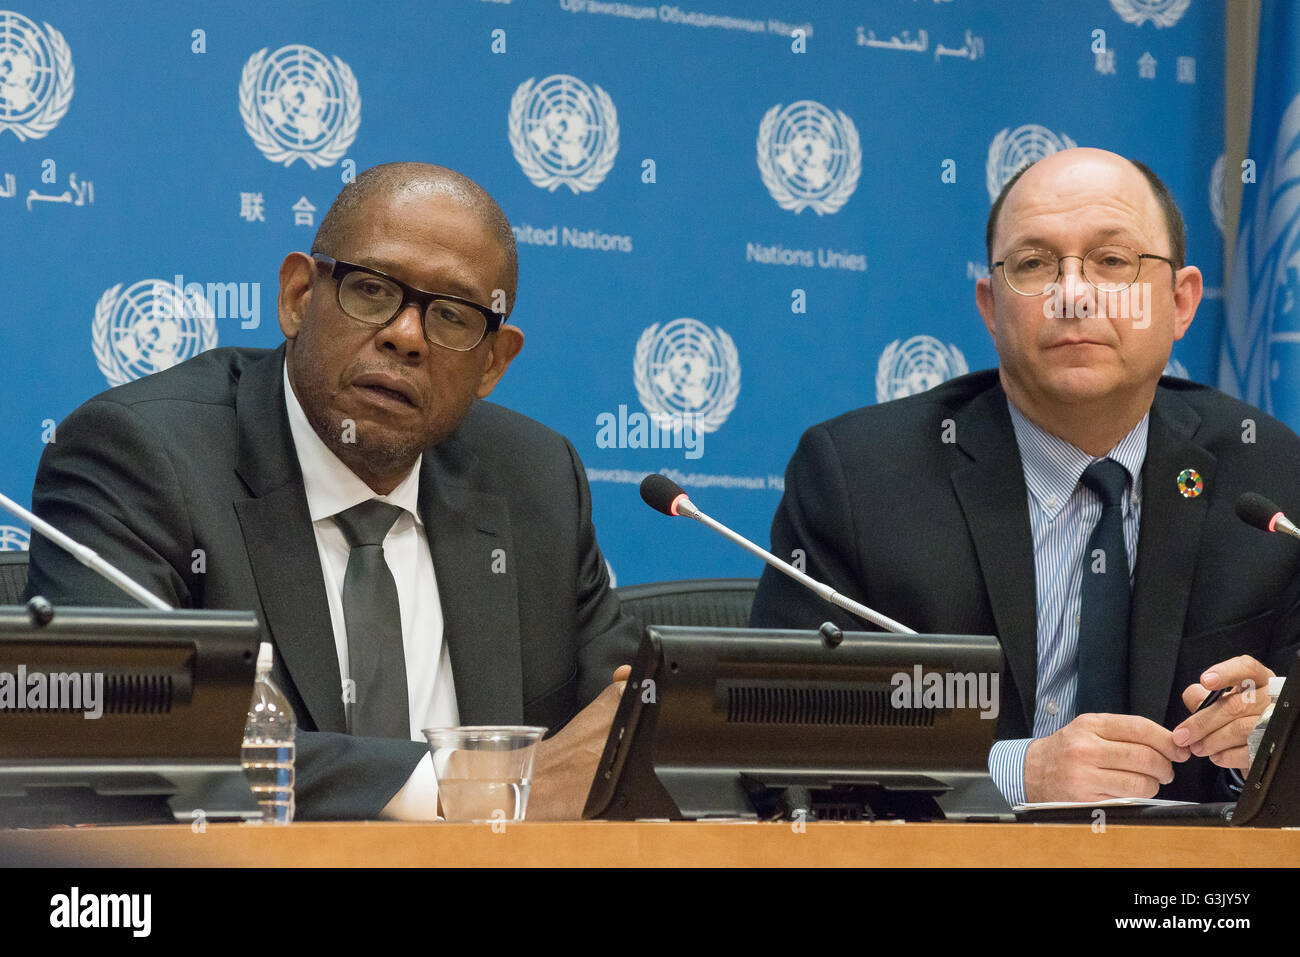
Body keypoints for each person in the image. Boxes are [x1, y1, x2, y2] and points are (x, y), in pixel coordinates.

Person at [23, 162, 642, 820]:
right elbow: (119, 720)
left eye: (453, 317)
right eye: (372, 289)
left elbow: (622, 729)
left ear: (492, 361)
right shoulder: (142, 454)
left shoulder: (535, 477)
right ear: (297, 295)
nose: (405, 336)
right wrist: (476, 789)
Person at [750, 148, 1300, 806]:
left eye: (1112, 262)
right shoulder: (862, 479)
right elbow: (777, 740)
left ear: (1180, 302)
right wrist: (1014, 774)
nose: (1073, 294)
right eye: (1036, 265)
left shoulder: (1267, 477)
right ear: (990, 307)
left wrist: (1272, 741)